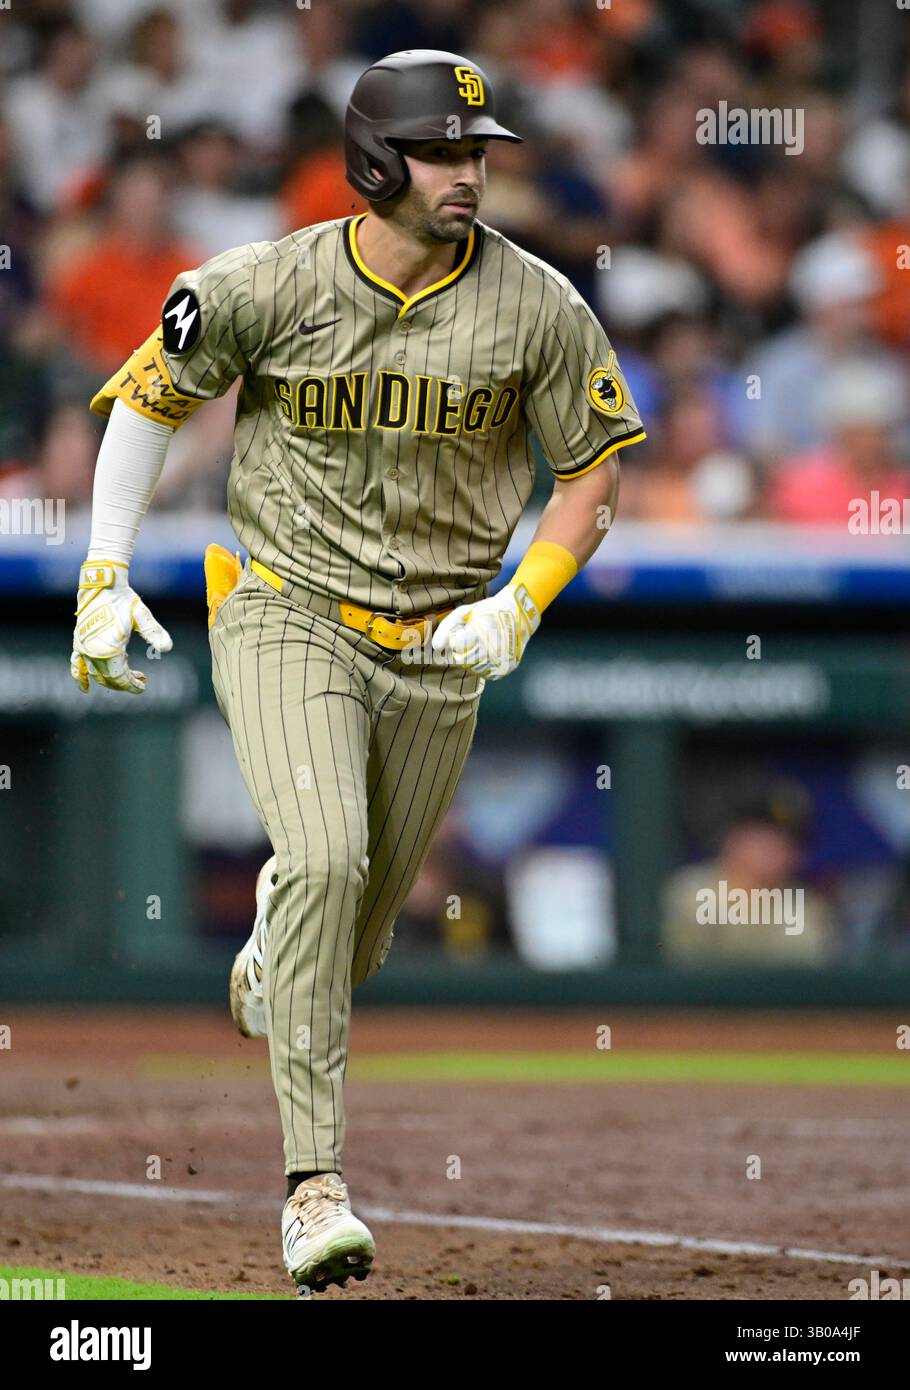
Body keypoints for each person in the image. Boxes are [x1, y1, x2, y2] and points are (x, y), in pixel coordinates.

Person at [68, 49, 646, 1293]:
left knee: (353, 938)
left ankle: (288, 947)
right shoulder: (265, 280)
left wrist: (523, 604)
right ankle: (311, 1189)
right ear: (377, 159)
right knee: (325, 858)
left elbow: (593, 467)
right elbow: (149, 399)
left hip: (442, 644)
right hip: (289, 610)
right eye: (444, 151)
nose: (469, 175)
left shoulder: (539, 302)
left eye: (478, 153)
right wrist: (105, 572)